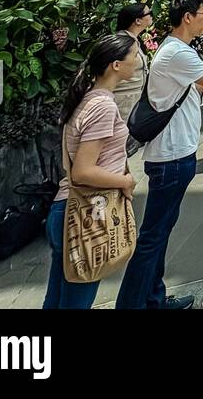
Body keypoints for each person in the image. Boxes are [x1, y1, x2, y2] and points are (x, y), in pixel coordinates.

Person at [115, 0, 203, 310]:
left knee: (159, 234)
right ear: (188, 17)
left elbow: (198, 87)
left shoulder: (175, 50)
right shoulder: (177, 52)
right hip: (171, 158)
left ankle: (154, 298)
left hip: (175, 154)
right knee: (152, 238)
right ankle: (134, 305)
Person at [44, 34, 139, 310]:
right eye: (133, 55)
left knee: (58, 300)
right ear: (115, 65)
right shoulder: (102, 106)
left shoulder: (89, 99)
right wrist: (125, 180)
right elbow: (83, 172)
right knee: (76, 303)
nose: (137, 61)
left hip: (66, 212)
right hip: (84, 215)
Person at [111, 2, 152, 131]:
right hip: (121, 102)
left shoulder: (134, 40)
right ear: (138, 20)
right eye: (148, 13)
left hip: (131, 100)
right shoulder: (122, 42)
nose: (151, 16)